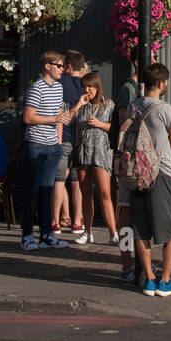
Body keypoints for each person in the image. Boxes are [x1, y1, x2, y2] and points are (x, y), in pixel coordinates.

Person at [128, 62, 171, 297]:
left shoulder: (134, 106)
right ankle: (166, 280)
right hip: (161, 173)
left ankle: (149, 278)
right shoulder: (164, 109)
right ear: (161, 84)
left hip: (136, 173)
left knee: (140, 229)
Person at [21, 51, 70, 251]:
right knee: (31, 191)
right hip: (36, 145)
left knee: (46, 191)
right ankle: (26, 236)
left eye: (62, 66)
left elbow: (60, 113)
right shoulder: (36, 89)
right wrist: (53, 120)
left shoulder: (58, 88)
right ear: (47, 66)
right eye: (58, 65)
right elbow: (28, 117)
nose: (62, 69)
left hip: (52, 147)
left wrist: (58, 143)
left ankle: (46, 234)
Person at [74, 72, 118, 244]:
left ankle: (113, 232)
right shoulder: (82, 106)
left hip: (101, 152)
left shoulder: (108, 105)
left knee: (104, 193)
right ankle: (87, 231)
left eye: (90, 86)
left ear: (97, 86)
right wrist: (78, 105)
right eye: (84, 87)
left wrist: (99, 124)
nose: (87, 90)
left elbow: (115, 128)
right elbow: (68, 120)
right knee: (85, 193)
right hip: (83, 152)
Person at [52, 50, 86, 234]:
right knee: (76, 182)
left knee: (58, 180)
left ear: (68, 66)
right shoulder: (86, 85)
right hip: (80, 139)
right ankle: (77, 221)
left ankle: (55, 221)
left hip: (63, 136)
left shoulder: (59, 84)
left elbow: (59, 112)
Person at [114, 57, 139, 283]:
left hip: (141, 163)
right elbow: (123, 122)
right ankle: (126, 263)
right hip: (128, 159)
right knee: (125, 213)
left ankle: (140, 263)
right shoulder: (127, 89)